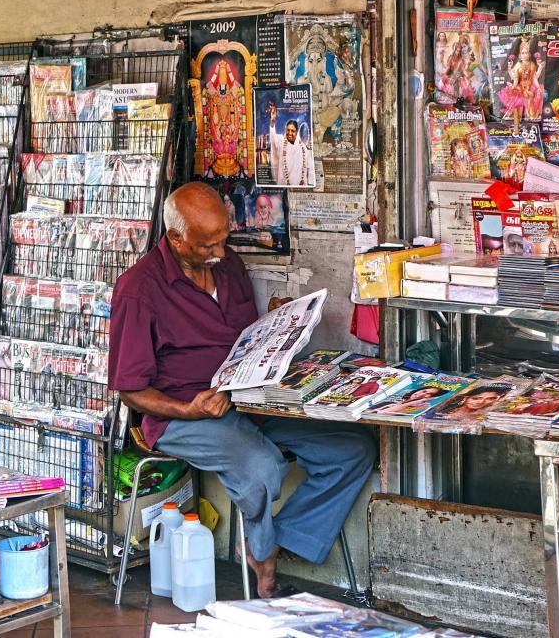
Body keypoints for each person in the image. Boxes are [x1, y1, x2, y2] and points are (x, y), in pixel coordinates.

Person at [108, 182, 376, 598]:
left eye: (223, 240)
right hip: (183, 416)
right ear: (176, 239)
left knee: (353, 449)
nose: (219, 253)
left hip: (248, 400)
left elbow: (243, 338)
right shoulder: (139, 290)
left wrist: (277, 327)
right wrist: (189, 409)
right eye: (208, 245)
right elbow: (129, 389)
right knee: (262, 467)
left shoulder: (227, 265)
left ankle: (279, 540)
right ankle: (263, 557)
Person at [268, 103, 315, 187]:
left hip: (300, 188)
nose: (289, 133)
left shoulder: (303, 148)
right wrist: (273, 120)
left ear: (296, 132)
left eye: (292, 131)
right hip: (284, 186)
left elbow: (311, 167)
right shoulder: (281, 141)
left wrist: (310, 184)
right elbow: (272, 137)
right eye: (288, 130)